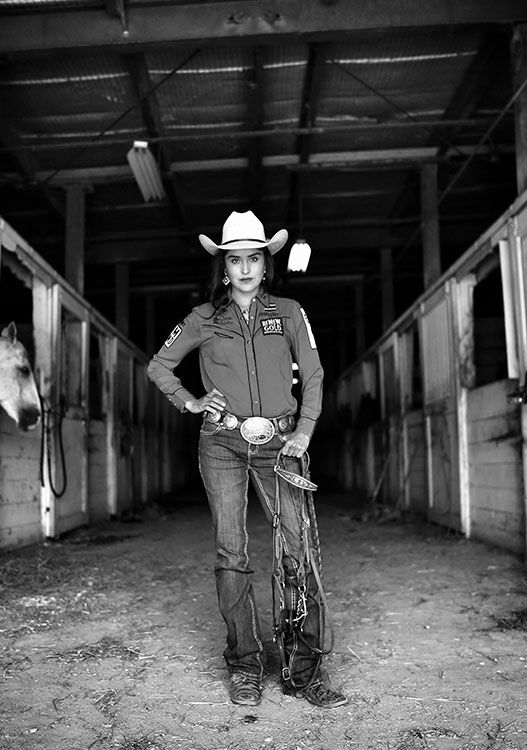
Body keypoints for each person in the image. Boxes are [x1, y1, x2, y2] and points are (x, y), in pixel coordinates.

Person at [146, 210, 347, 709]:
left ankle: (303, 669)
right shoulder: (202, 319)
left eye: (253, 258)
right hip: (223, 443)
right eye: (234, 259)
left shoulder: (290, 311)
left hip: (281, 444)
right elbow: (159, 366)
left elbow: (315, 374)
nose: (244, 268)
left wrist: (304, 431)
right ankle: (245, 665)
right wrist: (190, 402)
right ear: (223, 266)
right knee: (231, 552)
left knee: (297, 550)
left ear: (265, 262)